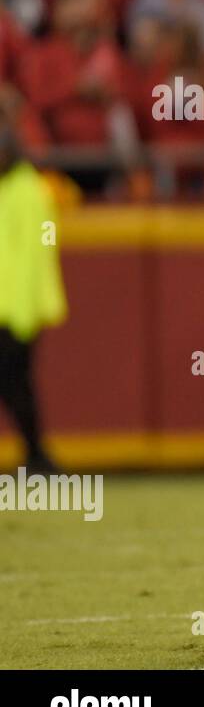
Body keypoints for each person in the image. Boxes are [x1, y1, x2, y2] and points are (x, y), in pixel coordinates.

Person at [0, 108, 68, 473]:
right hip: (9, 307)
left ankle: (38, 455)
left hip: (15, 310)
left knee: (15, 385)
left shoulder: (30, 192)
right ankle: (38, 456)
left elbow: (35, 256)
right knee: (15, 386)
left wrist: (22, 315)